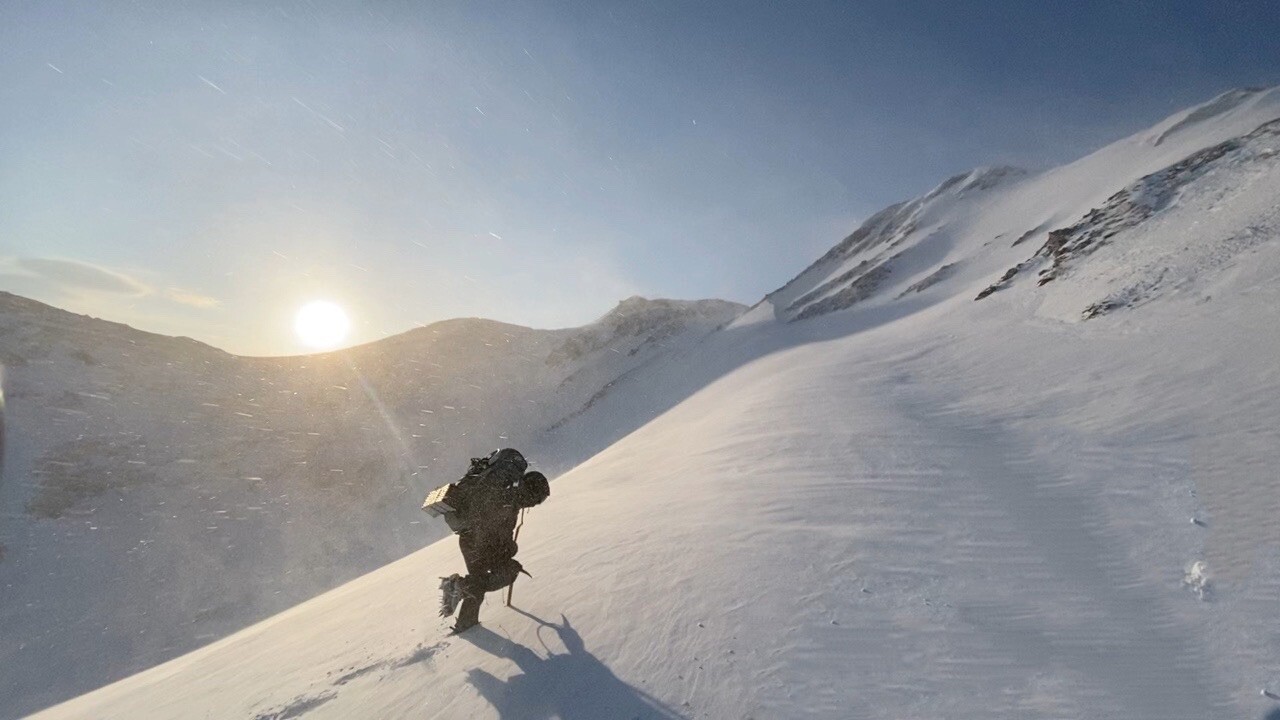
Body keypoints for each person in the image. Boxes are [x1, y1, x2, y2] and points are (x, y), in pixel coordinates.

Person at [436, 448, 550, 633]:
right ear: (532, 491)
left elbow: (494, 528)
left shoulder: (507, 496)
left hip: (471, 539)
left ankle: (465, 623)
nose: (535, 504)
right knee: (502, 574)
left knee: (479, 582)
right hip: (477, 542)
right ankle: (458, 588)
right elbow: (494, 528)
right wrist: (508, 550)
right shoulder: (508, 501)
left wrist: (504, 549)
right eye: (538, 499)